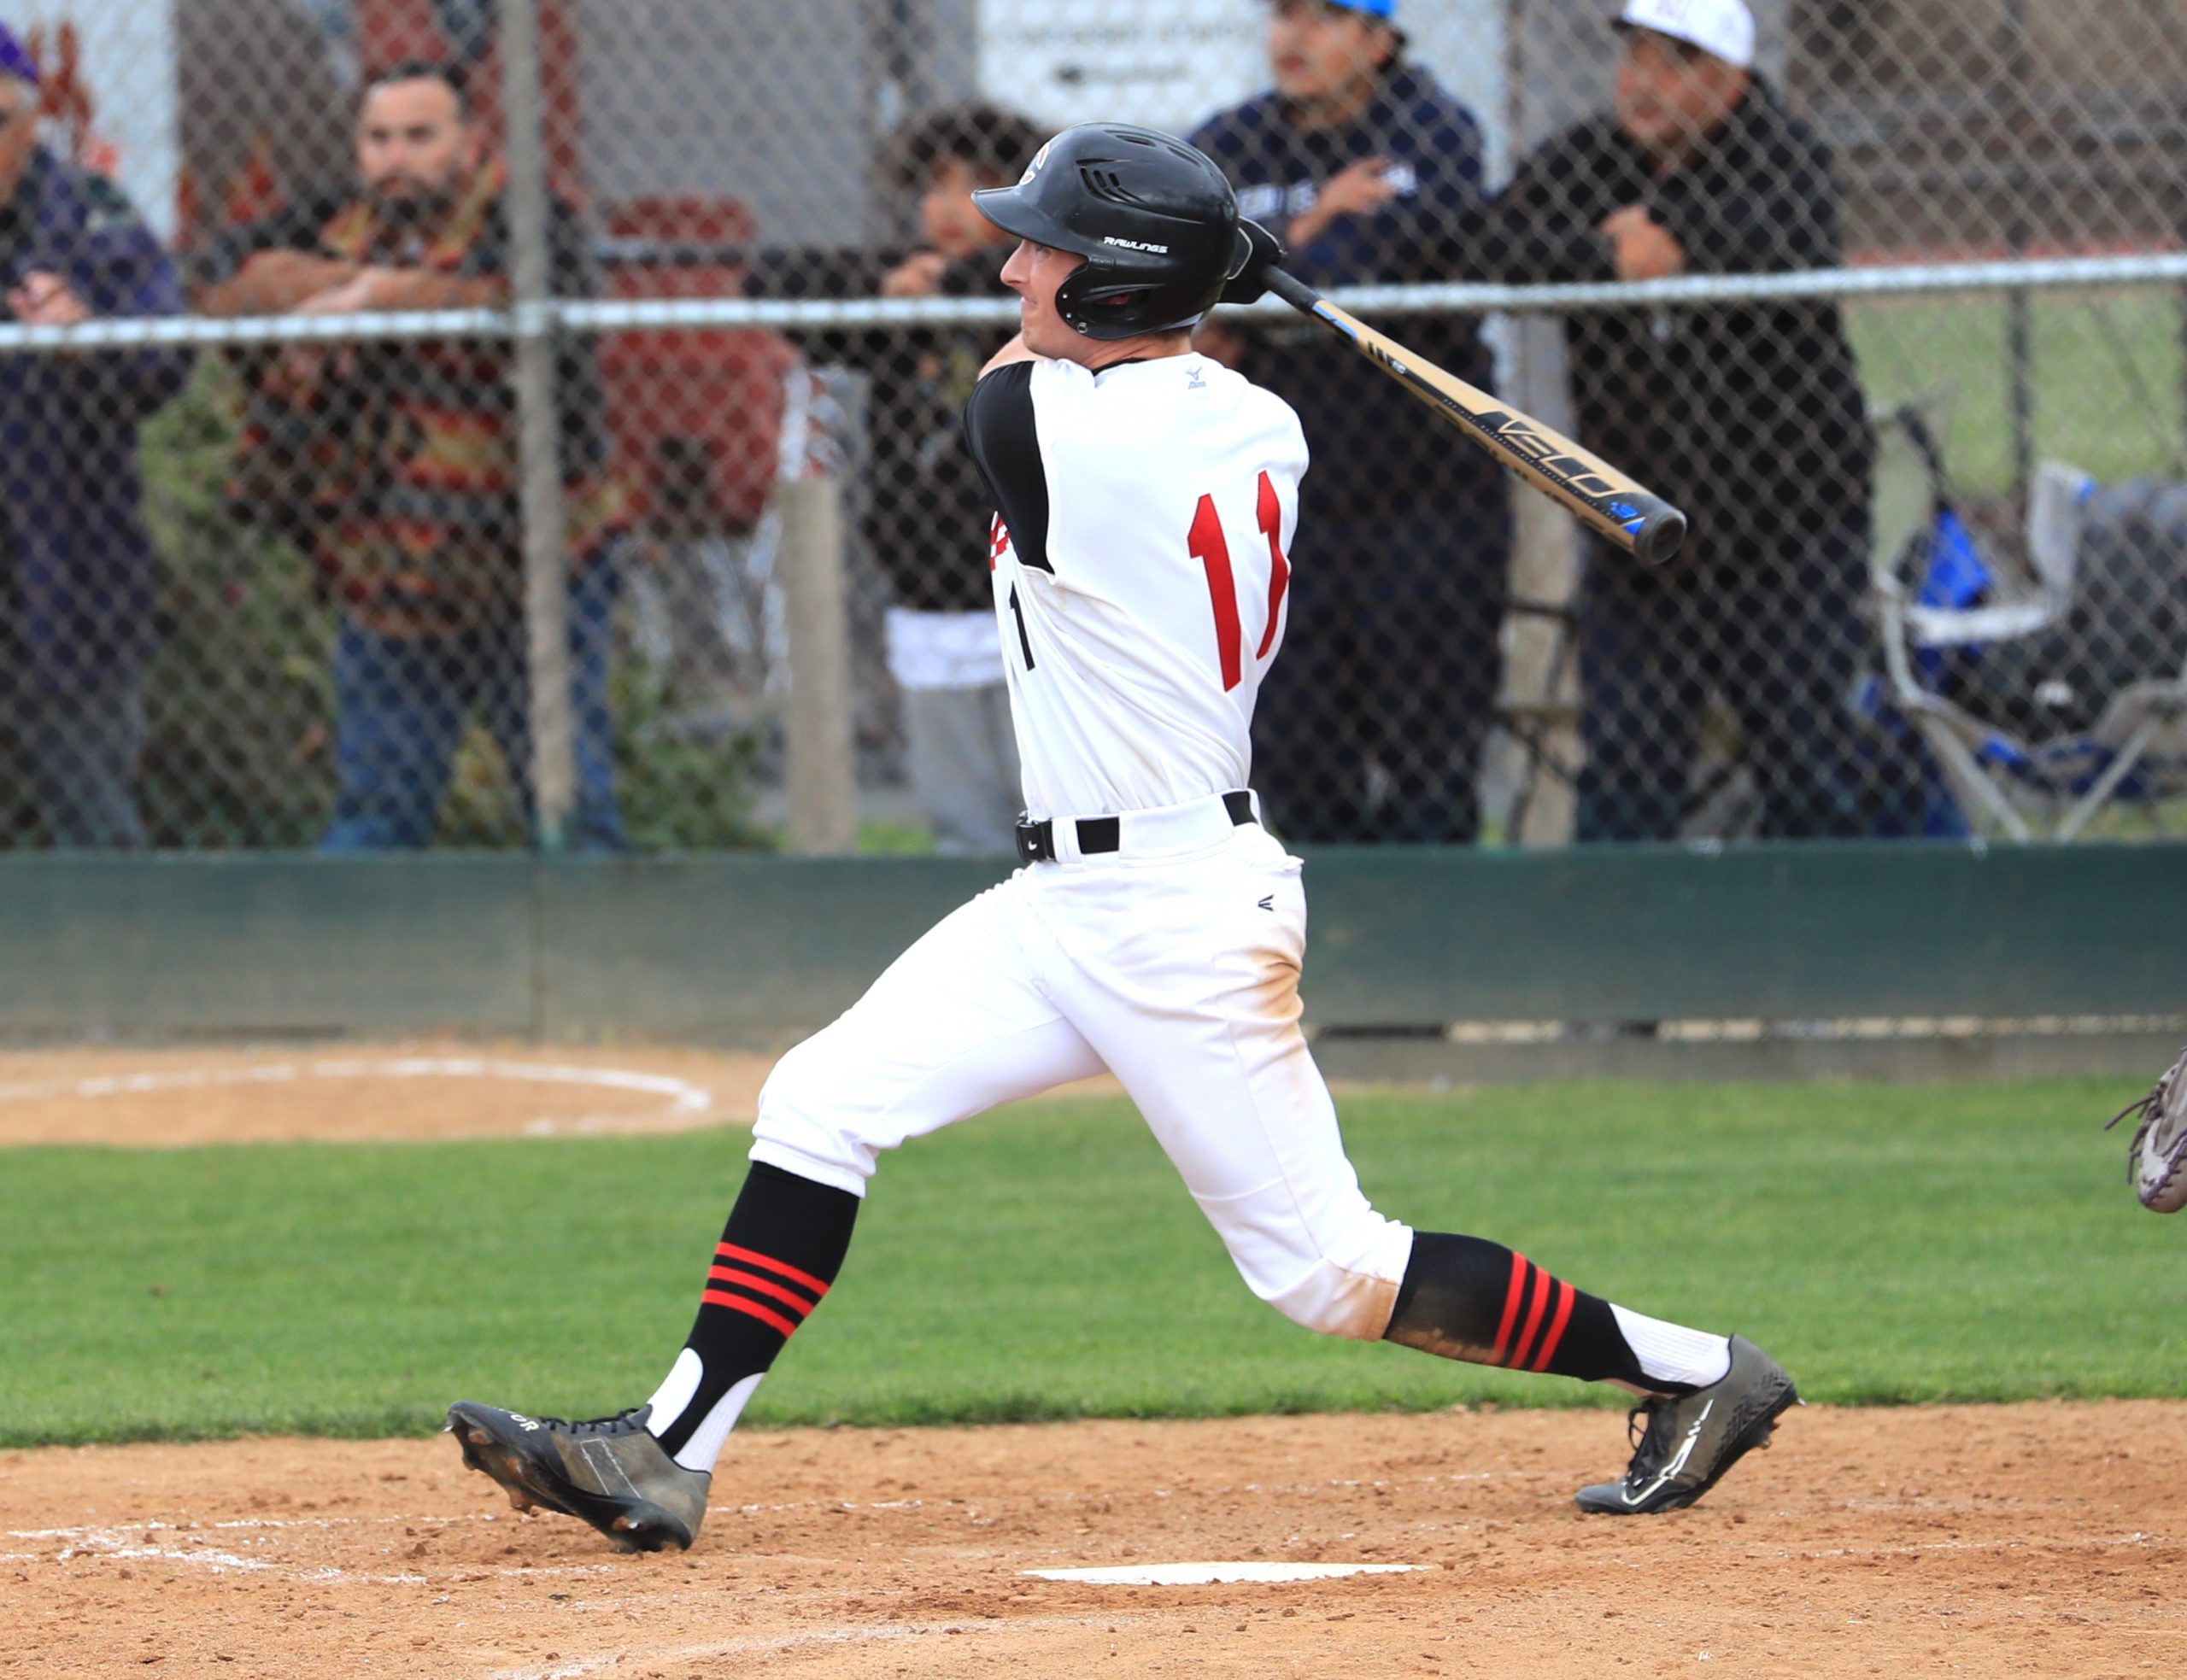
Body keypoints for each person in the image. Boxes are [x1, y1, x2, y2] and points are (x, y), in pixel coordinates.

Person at [445, 123, 1797, 1554]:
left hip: (1175, 912)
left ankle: (1695, 1368)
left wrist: (1197, 272)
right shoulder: (1255, 416)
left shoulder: (1047, 421)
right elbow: (1153, 360)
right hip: (1067, 898)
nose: (1017, 267)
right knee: (824, 1098)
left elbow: (1011, 381)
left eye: (1049, 252)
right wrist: (1211, 278)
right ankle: (667, 1450)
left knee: (1330, 1273)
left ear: (1117, 292)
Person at [1451, 0, 1879, 841]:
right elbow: (1482, 243)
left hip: (1788, 530)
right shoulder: (1588, 161)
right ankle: (1622, 960)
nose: (1642, 82)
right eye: (1636, 56)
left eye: (1674, 63)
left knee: (1807, 763)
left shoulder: (1780, 155)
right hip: (1639, 528)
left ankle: (1832, 954)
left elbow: (1795, 232)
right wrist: (1603, 259)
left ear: (1729, 82)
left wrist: (1681, 237)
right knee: (1627, 774)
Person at [196, 60, 627, 850]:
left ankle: (596, 962)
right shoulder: (332, 222)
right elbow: (222, 278)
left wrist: (381, 301)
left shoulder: (531, 220)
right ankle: (356, 966)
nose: (395, 159)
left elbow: (532, 305)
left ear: (468, 140)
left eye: (420, 137)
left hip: (533, 563)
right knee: (378, 814)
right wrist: (336, 292)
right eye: (378, 139)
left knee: (571, 806)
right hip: (387, 571)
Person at [1190, 0, 1510, 844]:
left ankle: (1435, 956)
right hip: (1279, 511)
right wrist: (1317, 223)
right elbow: (1183, 285)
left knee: (1429, 759)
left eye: (1326, 17)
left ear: (1377, 39)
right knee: (1293, 756)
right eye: (1283, 13)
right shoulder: (1229, 141)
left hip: (1426, 499)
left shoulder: (1431, 129)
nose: (1295, 37)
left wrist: (1263, 267)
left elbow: (1380, 265)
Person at [744, 102, 1043, 855]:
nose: (950, 208)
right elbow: (767, 278)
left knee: (1043, 795)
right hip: (929, 585)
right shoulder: (899, 297)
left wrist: (955, 281)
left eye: (978, 187)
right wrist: (894, 285)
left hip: (1035, 583)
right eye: (935, 188)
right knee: (958, 811)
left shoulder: (1045, 296)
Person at [0, 25, 192, 848]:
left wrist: (87, 336)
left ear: (34, 118)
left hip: (68, 580)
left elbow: (165, 363)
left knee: (94, 816)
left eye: (0, 121)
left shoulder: (90, 215)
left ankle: (127, 969)